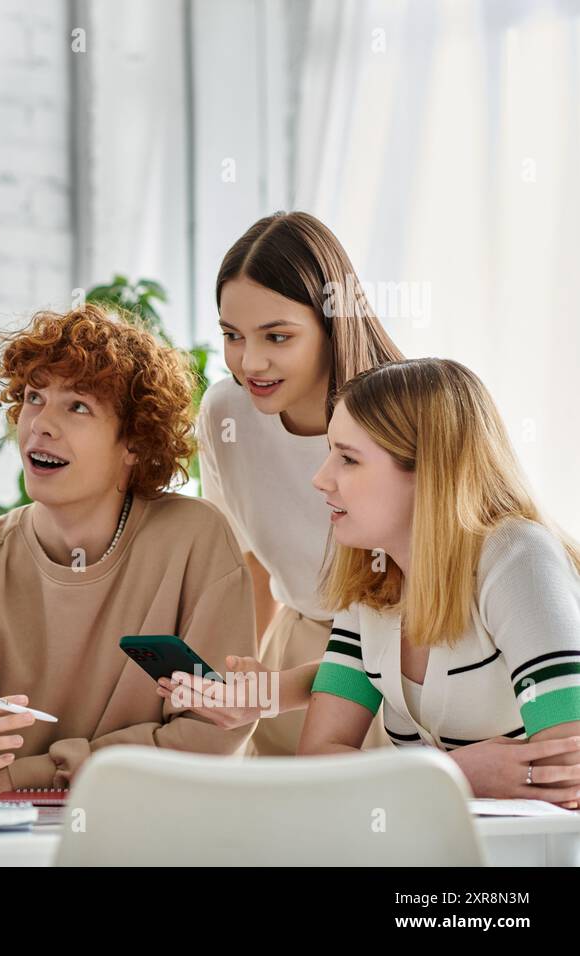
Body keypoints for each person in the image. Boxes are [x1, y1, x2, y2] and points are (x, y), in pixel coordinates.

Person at [0, 302, 257, 795]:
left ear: (133, 443)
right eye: (33, 397)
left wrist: (15, 774)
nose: (40, 424)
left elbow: (212, 732)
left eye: (77, 406)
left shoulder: (193, 542)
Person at [166, 358, 580, 806]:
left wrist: (435, 780)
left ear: (428, 471)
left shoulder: (517, 557)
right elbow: (320, 758)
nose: (320, 478)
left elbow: (568, 770)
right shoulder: (375, 579)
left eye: (347, 458)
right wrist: (456, 774)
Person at [196, 211, 404, 755]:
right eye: (232, 335)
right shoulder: (226, 414)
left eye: (278, 336)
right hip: (289, 655)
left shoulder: (403, 419)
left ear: (333, 325)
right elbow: (251, 564)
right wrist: (245, 681)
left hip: (396, 670)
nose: (251, 362)